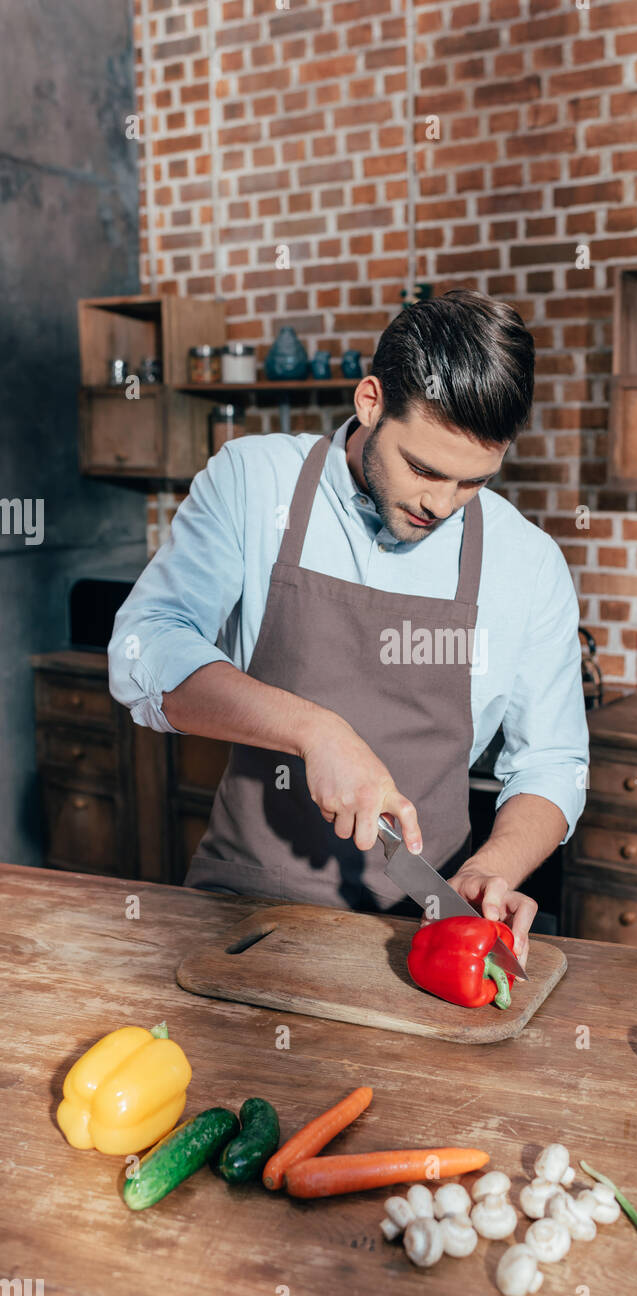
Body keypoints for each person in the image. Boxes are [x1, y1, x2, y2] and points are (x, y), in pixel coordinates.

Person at [108, 289, 588, 963]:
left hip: (429, 929)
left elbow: (551, 762)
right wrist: (314, 730)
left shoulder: (527, 561)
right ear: (370, 401)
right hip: (245, 912)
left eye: (472, 482)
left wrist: (493, 868)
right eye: (422, 468)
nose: (440, 504)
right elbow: (144, 648)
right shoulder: (256, 482)